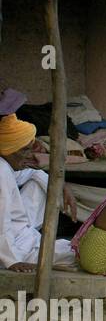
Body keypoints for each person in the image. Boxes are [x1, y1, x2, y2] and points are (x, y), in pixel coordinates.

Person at [0, 113, 77, 272]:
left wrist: (62, 185)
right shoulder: (1, 172)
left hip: (21, 234)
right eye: (25, 150)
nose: (31, 155)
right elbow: (2, 222)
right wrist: (12, 261)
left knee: (39, 181)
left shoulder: (7, 164)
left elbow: (32, 173)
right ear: (9, 150)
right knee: (75, 253)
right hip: (14, 248)